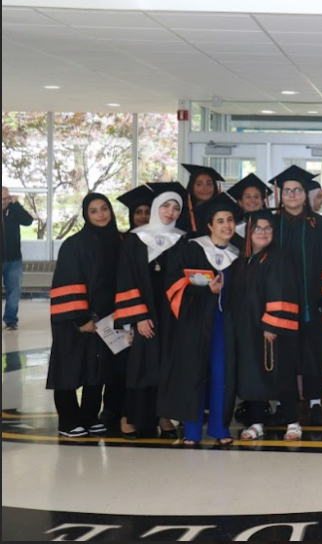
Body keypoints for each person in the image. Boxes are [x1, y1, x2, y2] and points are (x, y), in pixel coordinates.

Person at [159, 195, 240, 447]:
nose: (226, 225)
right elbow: (174, 282)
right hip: (195, 322)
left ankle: (219, 427)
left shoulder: (238, 253)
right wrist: (207, 291)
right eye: (220, 221)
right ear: (210, 225)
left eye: (229, 220)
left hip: (225, 324)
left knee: (221, 375)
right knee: (194, 374)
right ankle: (192, 431)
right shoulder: (192, 248)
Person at [269, 165, 322, 426]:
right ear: (281, 195)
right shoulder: (273, 224)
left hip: (313, 302)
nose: (292, 195)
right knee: (283, 356)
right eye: (287, 191)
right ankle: (283, 405)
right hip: (279, 301)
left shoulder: (318, 224)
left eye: (297, 190)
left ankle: (314, 404)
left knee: (312, 354)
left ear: (305, 194)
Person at [47, 193, 121, 437]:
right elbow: (68, 281)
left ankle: (89, 416)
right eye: (94, 210)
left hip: (107, 317)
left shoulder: (118, 240)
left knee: (97, 368)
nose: (101, 214)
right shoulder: (75, 243)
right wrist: (82, 317)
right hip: (76, 318)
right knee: (69, 367)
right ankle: (68, 420)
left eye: (104, 208)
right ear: (86, 215)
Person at [114, 188, 185, 440]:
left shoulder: (181, 239)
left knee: (167, 365)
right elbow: (126, 278)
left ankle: (163, 415)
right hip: (144, 312)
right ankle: (129, 417)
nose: (170, 212)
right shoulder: (135, 240)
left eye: (176, 208)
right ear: (156, 207)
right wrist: (138, 316)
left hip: (171, 313)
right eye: (165, 206)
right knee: (141, 365)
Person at [231, 210, 303, 442]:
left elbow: (282, 292)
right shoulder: (244, 258)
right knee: (252, 375)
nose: (262, 233)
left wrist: (272, 325)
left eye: (268, 228)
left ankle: (293, 422)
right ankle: (256, 422)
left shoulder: (277, 258)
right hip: (248, 329)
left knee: (280, 374)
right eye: (257, 228)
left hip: (271, 329)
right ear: (249, 232)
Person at [3, 186, 36, 331]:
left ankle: (10, 320)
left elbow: (28, 221)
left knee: (14, 291)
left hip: (14, 260)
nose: (3, 202)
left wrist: (16, 205)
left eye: (5, 199)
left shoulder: (14, 210)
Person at [178, 164, 224, 235]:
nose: (205, 188)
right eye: (199, 184)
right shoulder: (182, 213)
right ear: (191, 187)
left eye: (209, 184)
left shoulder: (223, 211)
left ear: (214, 187)